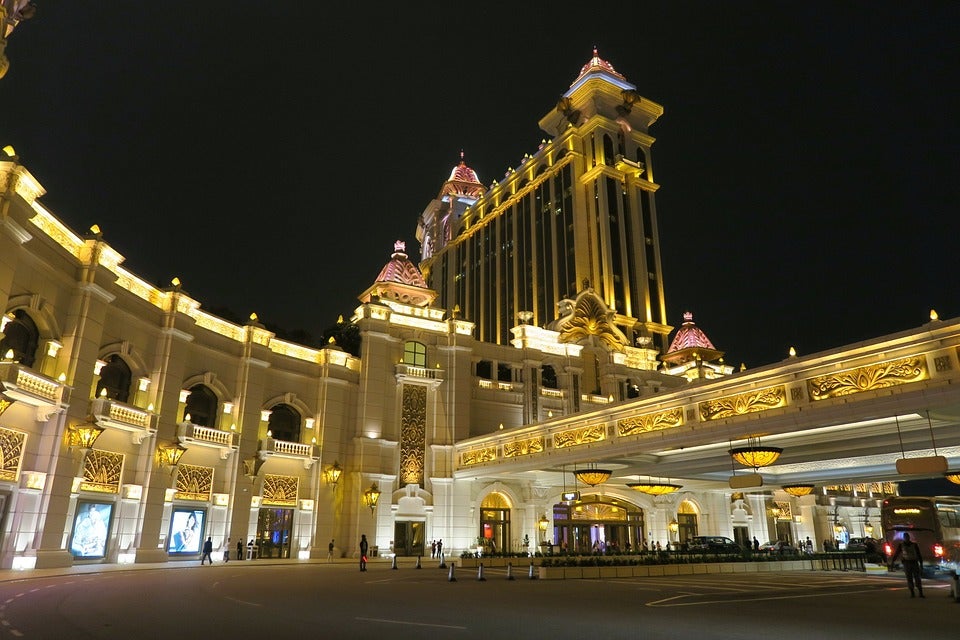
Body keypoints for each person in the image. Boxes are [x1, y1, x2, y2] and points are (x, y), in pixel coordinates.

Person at [889, 532, 924, 597]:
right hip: (907, 562)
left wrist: (921, 563)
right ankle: (913, 593)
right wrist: (892, 561)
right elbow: (896, 553)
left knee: (917, 578)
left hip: (913, 562)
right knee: (910, 578)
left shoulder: (913, 545)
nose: (907, 538)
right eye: (906, 537)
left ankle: (920, 593)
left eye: (907, 537)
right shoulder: (902, 545)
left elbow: (918, 554)